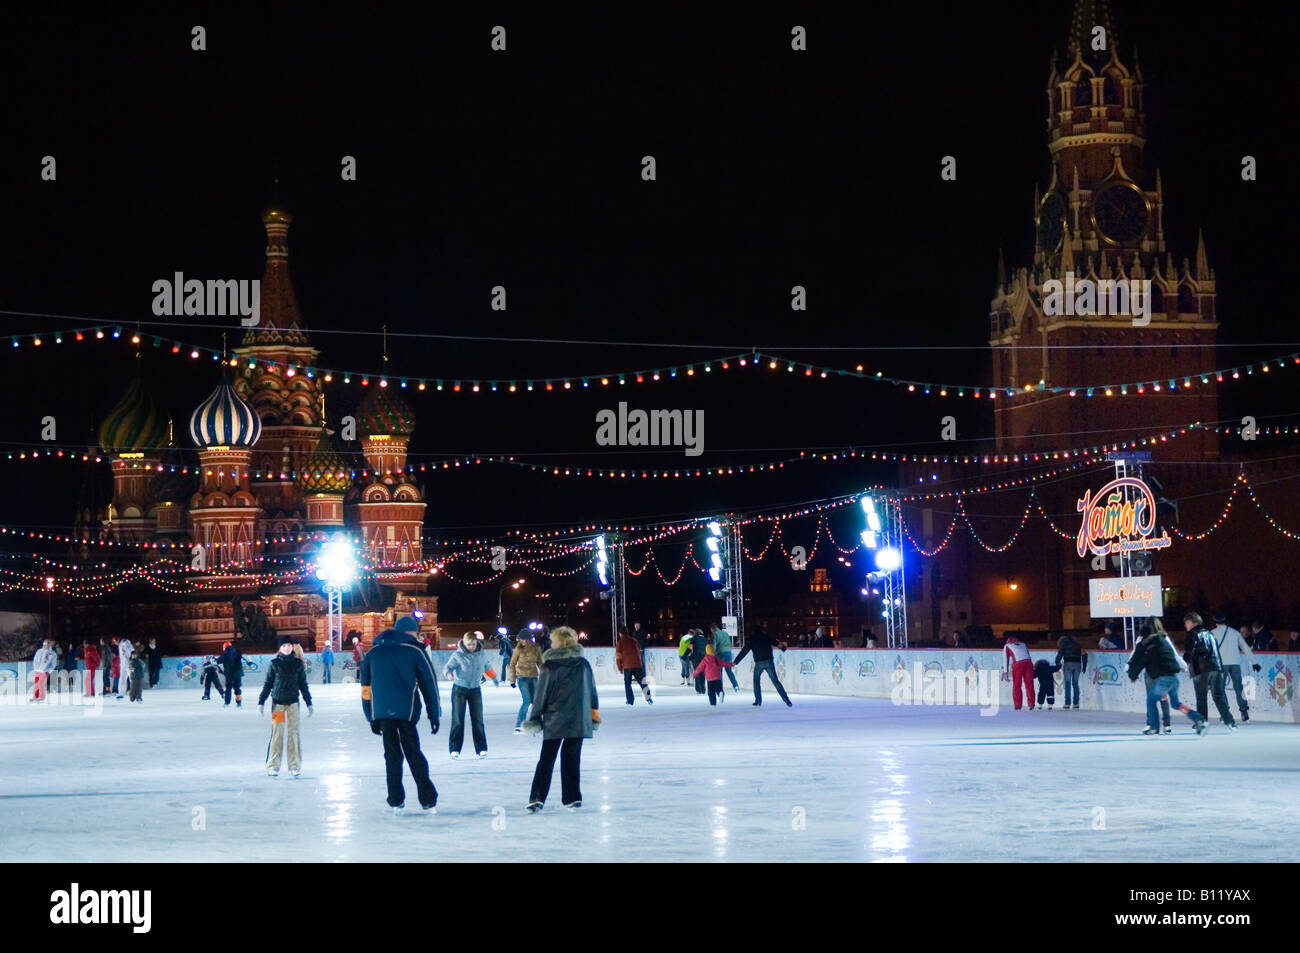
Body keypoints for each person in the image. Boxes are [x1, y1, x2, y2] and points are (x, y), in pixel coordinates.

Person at [361, 617, 441, 815]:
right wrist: (434, 715)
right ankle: (427, 799)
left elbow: (365, 689)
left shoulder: (373, 652)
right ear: (412, 632)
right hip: (407, 711)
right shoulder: (415, 651)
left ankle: (396, 799)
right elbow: (429, 685)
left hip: (382, 713)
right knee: (414, 754)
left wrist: (370, 716)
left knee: (392, 756)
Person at [522, 626, 598, 812]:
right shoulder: (583, 664)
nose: (551, 643)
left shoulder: (549, 667)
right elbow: (592, 692)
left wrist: (534, 719)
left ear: (560, 643)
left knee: (546, 759)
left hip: (554, 720)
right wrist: (593, 715)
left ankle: (537, 798)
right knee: (571, 758)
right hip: (578, 719)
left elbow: (541, 696)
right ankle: (573, 798)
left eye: (553, 640)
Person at [1129, 620, 1206, 736]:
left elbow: (1140, 661)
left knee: (1151, 700)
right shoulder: (1164, 640)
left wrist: (1133, 675)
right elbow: (1174, 654)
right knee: (1175, 703)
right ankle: (1198, 719)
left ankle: (1154, 727)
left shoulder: (1147, 644)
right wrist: (1183, 666)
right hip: (1173, 678)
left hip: (1163, 679)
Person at [258, 636, 314, 777]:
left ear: (292, 647)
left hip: (293, 704)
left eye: (289, 645)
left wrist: (309, 702)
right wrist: (261, 701)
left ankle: (294, 766)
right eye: (284, 646)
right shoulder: (274, 664)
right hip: (278, 704)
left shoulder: (298, 664)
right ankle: (273, 766)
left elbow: (303, 685)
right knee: (277, 734)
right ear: (280, 648)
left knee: (293, 734)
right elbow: (268, 683)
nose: (287, 648)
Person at [443, 631, 493, 758]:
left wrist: (495, 678)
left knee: (478, 720)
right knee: (458, 721)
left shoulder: (481, 654)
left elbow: (487, 667)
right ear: (464, 644)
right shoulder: (458, 655)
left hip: (475, 690)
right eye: (469, 645)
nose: (472, 647)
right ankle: (454, 749)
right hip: (459, 690)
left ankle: (481, 748)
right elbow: (447, 668)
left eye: (474, 644)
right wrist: (448, 674)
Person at [1183, 612, 1235, 729]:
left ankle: (1202, 722)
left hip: (1201, 670)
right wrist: (1219, 668)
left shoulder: (1192, 634)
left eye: (1187, 623)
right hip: (1216, 668)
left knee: (1201, 697)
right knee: (1219, 696)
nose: (1185, 626)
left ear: (1194, 623)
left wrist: (1185, 660)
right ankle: (1230, 721)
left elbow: (1190, 652)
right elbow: (1216, 651)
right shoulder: (1210, 634)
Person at [1212, 613, 1259, 723]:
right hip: (1235, 663)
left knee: (1220, 688)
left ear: (1215, 622)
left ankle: (1225, 712)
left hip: (1221, 664)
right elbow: (1245, 647)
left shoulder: (1212, 634)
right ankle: (1244, 711)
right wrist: (1254, 662)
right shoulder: (1234, 633)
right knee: (1239, 688)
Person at [734, 623, 792, 708]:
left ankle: (758, 701)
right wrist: (783, 648)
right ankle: (787, 700)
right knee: (775, 681)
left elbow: (744, 651)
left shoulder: (751, 639)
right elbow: (778, 644)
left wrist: (736, 662)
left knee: (756, 681)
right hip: (769, 662)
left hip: (759, 663)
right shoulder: (766, 636)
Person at [508, 630, 544, 733]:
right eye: (521, 639)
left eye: (524, 639)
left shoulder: (536, 648)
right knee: (526, 701)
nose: (522, 641)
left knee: (535, 702)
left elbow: (540, 663)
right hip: (522, 678)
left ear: (529, 639)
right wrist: (512, 679)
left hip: (533, 677)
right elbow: (512, 663)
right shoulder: (518, 649)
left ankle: (536, 723)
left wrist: (545, 674)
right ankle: (519, 725)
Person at [615, 626, 652, 705]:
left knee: (627, 684)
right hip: (637, 665)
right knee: (642, 682)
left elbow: (618, 657)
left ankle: (630, 700)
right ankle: (649, 698)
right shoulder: (633, 640)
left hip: (627, 666)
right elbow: (638, 650)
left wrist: (620, 667)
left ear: (620, 634)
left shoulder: (620, 643)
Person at [1054, 634, 1087, 710]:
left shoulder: (1063, 645)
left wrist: (1057, 662)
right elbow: (1085, 654)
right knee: (1075, 684)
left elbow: (1060, 654)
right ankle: (1076, 703)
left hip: (1068, 664)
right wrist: (1084, 665)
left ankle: (1067, 703)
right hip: (1078, 664)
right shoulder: (1078, 645)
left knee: (1068, 684)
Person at [1003, 634, 1035, 710]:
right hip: (1028, 662)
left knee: (1017, 685)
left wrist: (1005, 672)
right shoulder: (1023, 644)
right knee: (1029, 684)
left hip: (1018, 664)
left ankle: (1018, 705)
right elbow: (1028, 654)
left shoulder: (1007, 646)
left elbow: (1006, 659)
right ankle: (1031, 704)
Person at [711, 622, 740, 692]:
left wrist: (713, 655)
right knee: (729, 671)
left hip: (720, 653)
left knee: (719, 671)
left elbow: (713, 646)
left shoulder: (715, 634)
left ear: (712, 629)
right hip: (728, 653)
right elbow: (730, 643)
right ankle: (736, 686)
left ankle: (720, 688)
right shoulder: (725, 633)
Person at [217, 640, 244, 707]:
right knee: (237, 688)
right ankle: (239, 702)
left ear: (224, 647)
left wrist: (215, 659)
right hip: (238, 673)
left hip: (230, 674)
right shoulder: (237, 652)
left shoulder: (225, 653)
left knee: (228, 688)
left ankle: (227, 703)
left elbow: (219, 661)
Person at [689, 629, 708, 695]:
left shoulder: (693, 639)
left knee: (697, 672)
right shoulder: (706, 640)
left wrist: (688, 656)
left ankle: (698, 689)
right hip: (704, 657)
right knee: (702, 673)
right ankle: (703, 689)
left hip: (696, 657)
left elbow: (690, 648)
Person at [117, 636, 134, 700]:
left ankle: (134, 692)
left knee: (131, 677)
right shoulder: (121, 645)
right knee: (122, 678)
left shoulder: (127, 644)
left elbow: (133, 652)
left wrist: (131, 661)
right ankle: (121, 692)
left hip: (129, 663)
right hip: (123, 664)